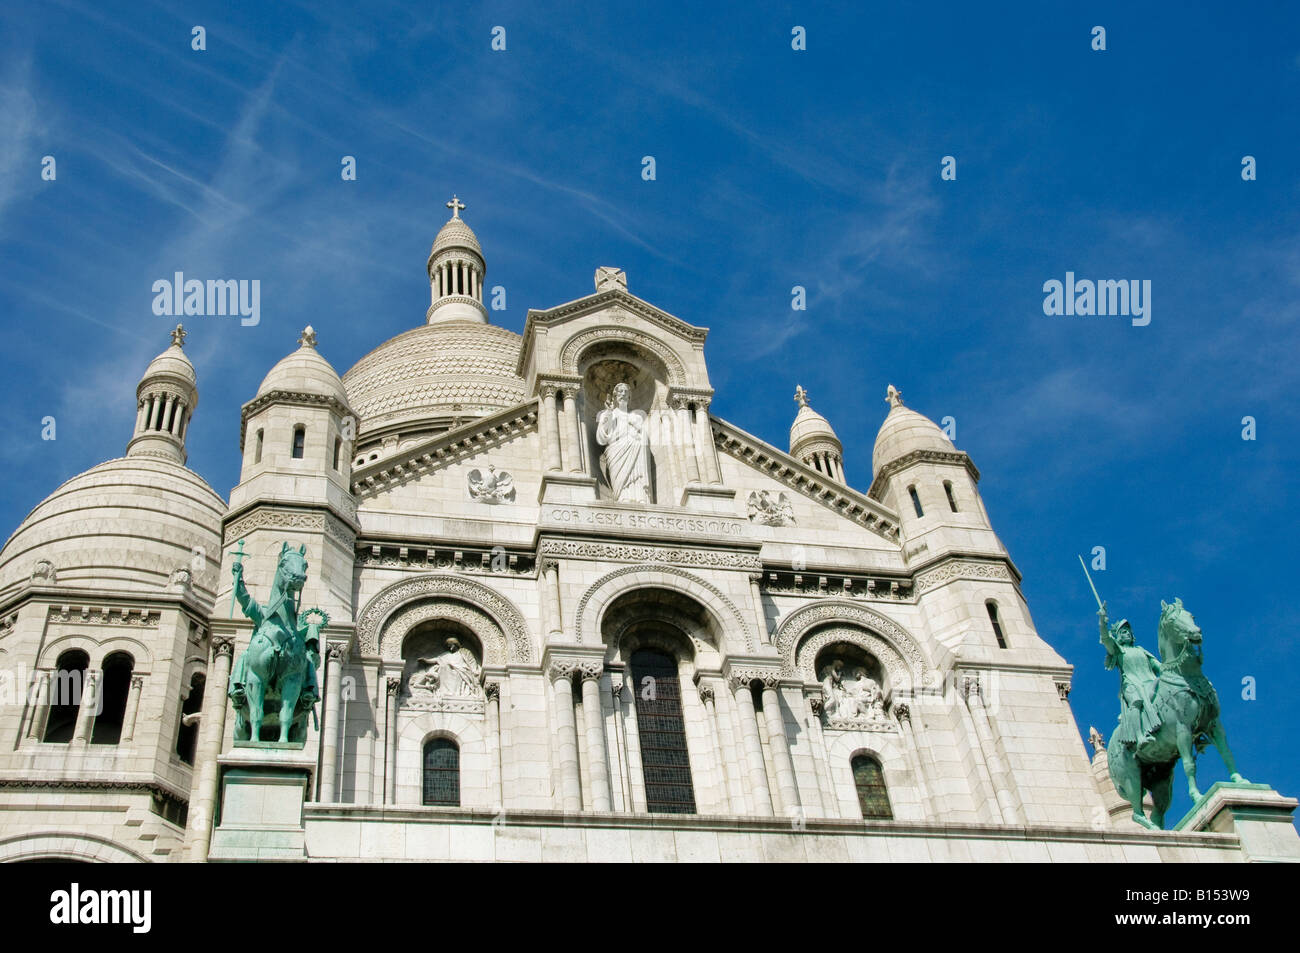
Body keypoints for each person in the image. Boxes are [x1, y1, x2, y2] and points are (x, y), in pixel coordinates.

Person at [1099, 602, 1162, 749]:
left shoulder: (1141, 650)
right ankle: (1139, 737)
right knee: (1136, 701)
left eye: (1128, 631)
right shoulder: (1118, 650)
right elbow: (1106, 639)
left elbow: (1159, 667)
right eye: (1123, 632)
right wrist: (1102, 621)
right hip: (1131, 684)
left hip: (1150, 682)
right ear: (1119, 637)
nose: (1127, 633)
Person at [596, 382, 652, 503]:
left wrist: (639, 436)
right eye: (620, 392)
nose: (623, 394)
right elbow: (602, 436)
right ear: (615, 397)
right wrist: (608, 414)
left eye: (625, 392)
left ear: (629, 397)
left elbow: (643, 435)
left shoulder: (636, 417)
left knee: (637, 475)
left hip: (635, 450)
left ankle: (641, 497)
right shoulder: (609, 413)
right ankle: (623, 497)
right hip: (617, 451)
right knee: (622, 479)